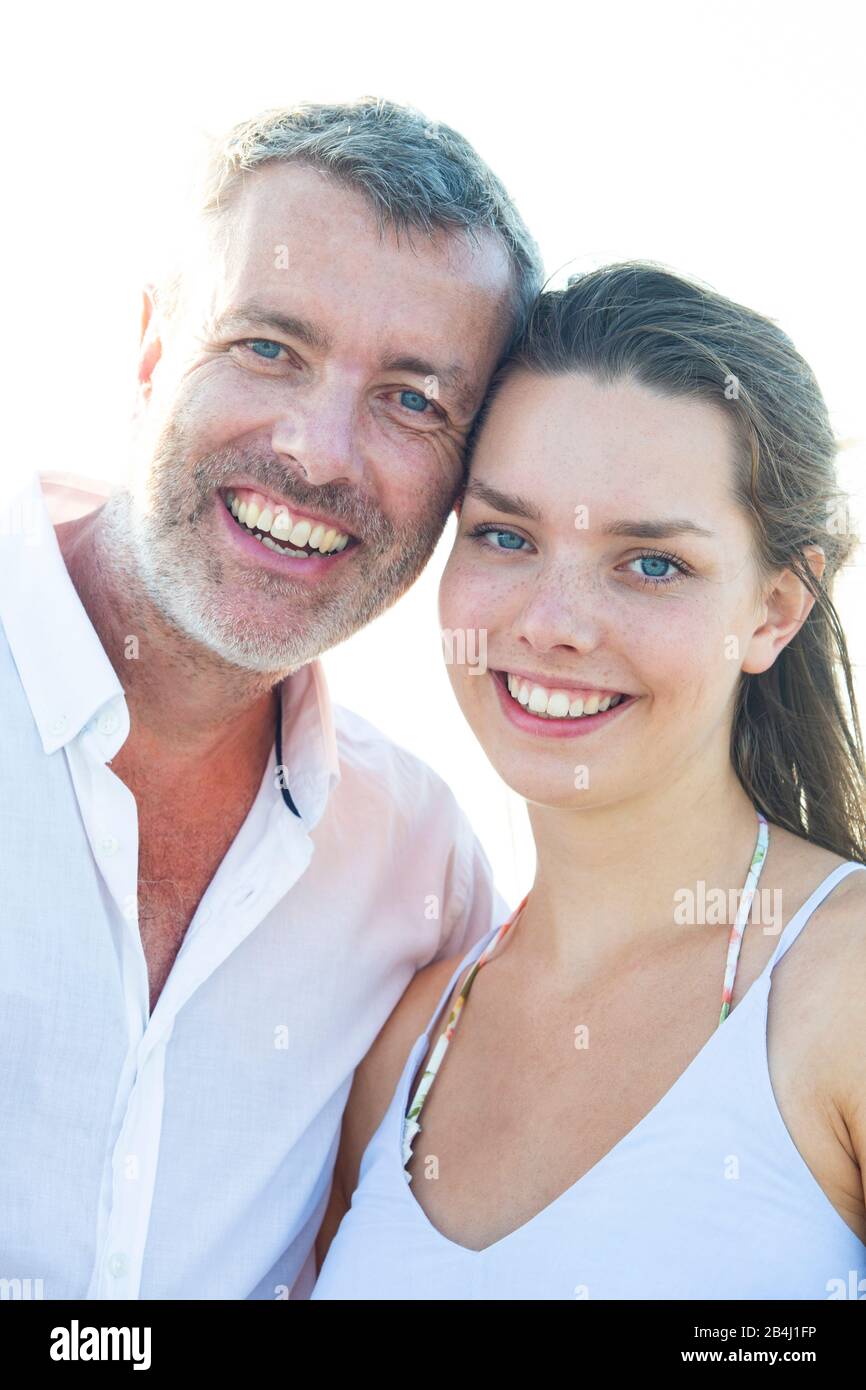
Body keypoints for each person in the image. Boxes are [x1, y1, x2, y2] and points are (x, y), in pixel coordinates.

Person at [0, 97, 544, 1300]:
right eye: (267, 347)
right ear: (151, 352)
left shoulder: (422, 871)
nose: (319, 452)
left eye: (412, 399)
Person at [313, 262, 866, 1300]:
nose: (552, 621)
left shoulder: (844, 991)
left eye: (649, 562)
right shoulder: (408, 1047)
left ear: (774, 610)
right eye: (505, 536)